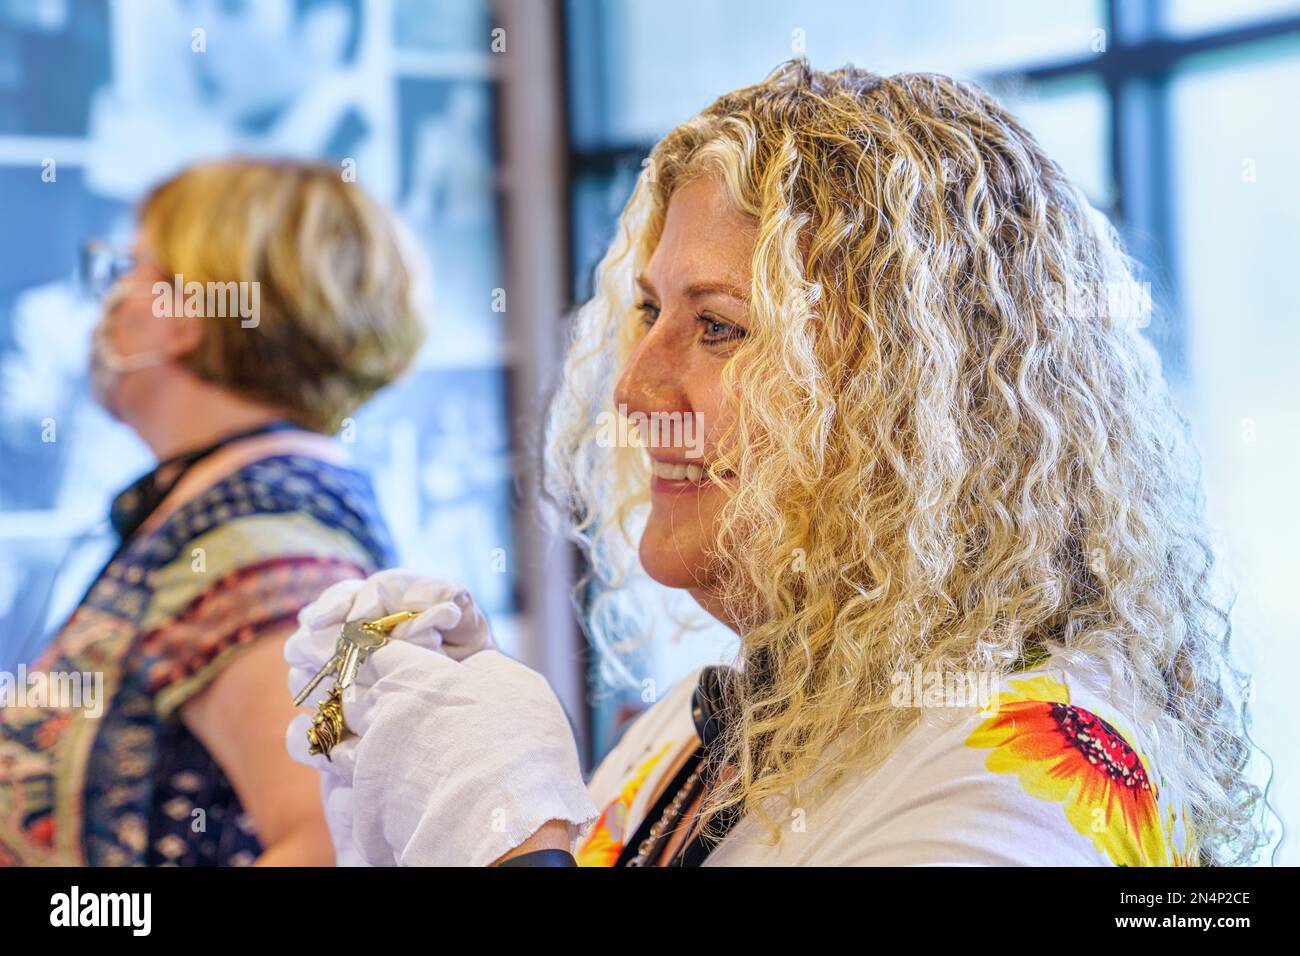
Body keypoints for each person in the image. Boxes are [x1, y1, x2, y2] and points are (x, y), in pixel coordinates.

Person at [286, 61, 1266, 867]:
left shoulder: (1025, 783)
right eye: (646, 313)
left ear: (912, 395)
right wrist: (421, 774)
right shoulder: (714, 716)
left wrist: (499, 828)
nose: (632, 389)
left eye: (716, 327)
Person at [0, 158, 425, 866]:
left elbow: (328, 841)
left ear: (184, 316)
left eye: (133, 271)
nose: (110, 302)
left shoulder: (261, 541)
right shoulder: (236, 510)